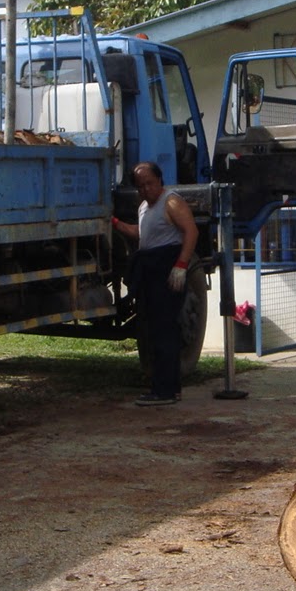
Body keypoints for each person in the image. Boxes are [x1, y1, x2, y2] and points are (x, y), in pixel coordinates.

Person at [111, 161, 199, 407]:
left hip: (166, 267)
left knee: (164, 330)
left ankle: (164, 391)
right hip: (149, 268)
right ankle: (170, 388)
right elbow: (142, 234)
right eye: (140, 186)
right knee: (155, 330)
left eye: (149, 183)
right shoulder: (144, 207)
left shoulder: (171, 202)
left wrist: (180, 265)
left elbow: (191, 231)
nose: (145, 189)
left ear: (160, 180)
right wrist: (115, 223)